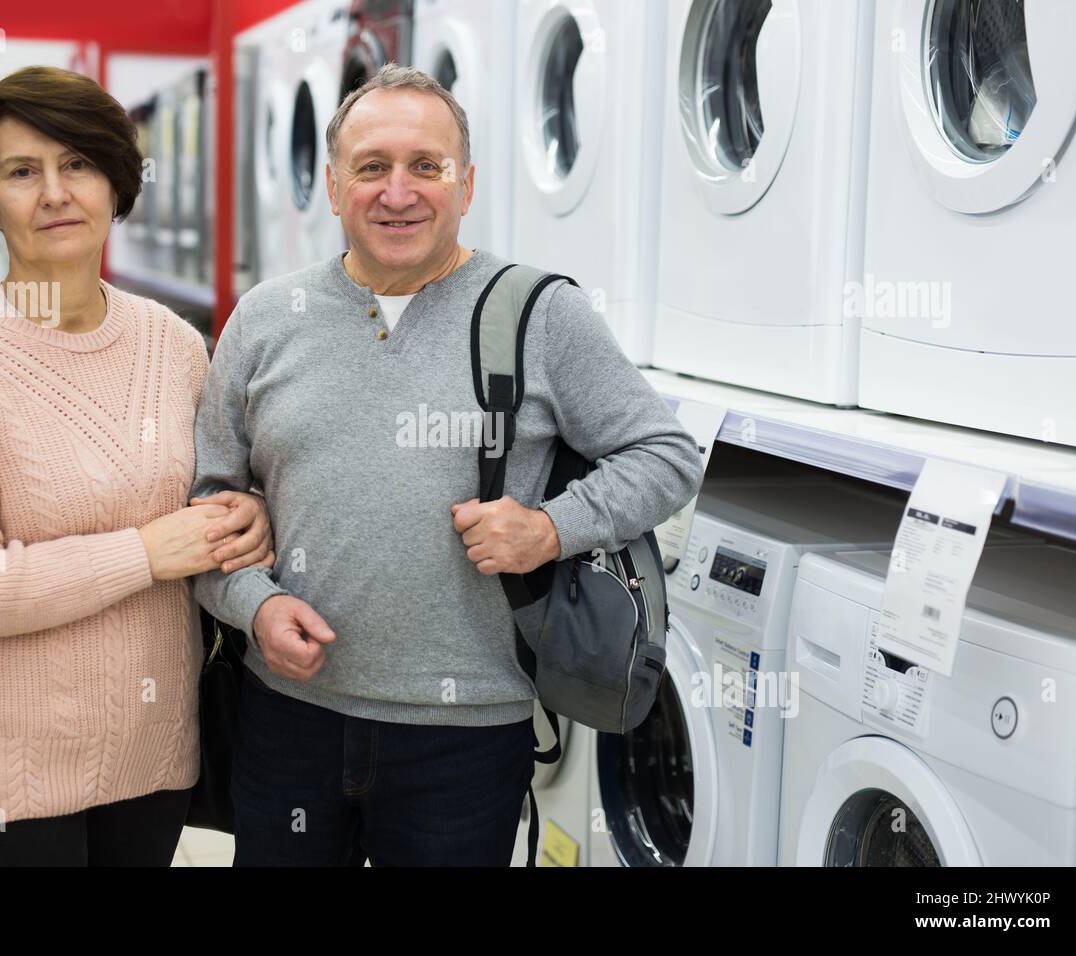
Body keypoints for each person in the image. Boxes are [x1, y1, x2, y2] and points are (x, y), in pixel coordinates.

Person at [191, 65, 706, 866]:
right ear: (333, 187)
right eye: (372, 167)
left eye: (426, 166)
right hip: (288, 719)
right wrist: (253, 605)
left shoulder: (540, 314)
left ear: (465, 184)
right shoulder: (264, 320)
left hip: (465, 739)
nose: (399, 191)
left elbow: (668, 456)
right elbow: (211, 504)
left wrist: (549, 528)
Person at [0, 65, 273, 866]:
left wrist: (246, 517)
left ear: (115, 184)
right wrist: (143, 553)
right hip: (4, 775)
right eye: (23, 172)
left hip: (152, 753)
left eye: (79, 165)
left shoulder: (172, 344)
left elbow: (212, 497)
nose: (55, 192)